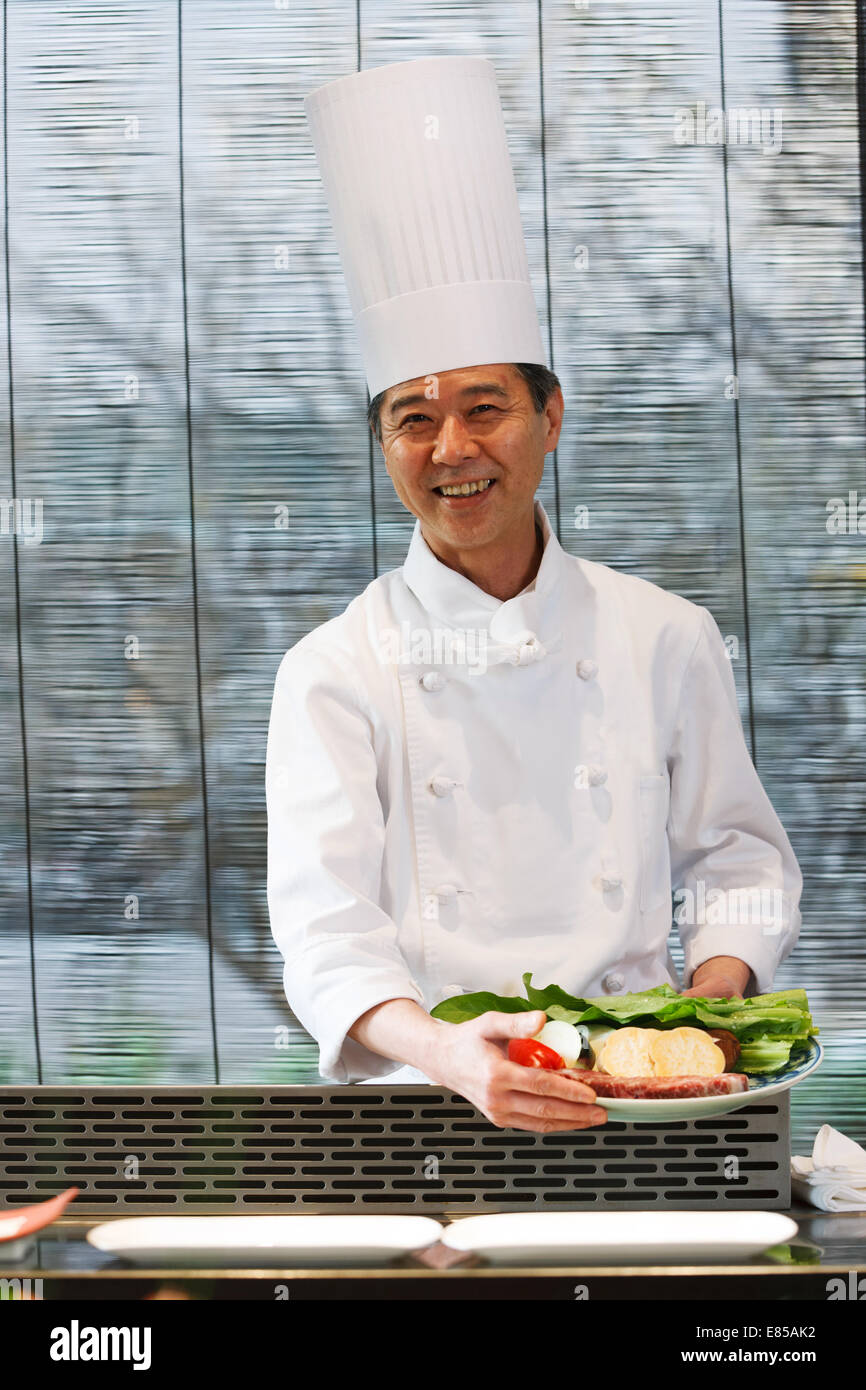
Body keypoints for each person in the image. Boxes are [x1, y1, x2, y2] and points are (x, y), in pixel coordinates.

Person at [265, 58, 802, 1132]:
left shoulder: (661, 634)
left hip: (644, 1106)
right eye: (411, 419)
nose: (450, 448)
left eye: (483, 407)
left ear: (548, 420)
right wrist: (444, 1052)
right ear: (382, 446)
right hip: (429, 1112)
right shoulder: (333, 668)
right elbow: (324, 929)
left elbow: (737, 857)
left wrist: (698, 1017)